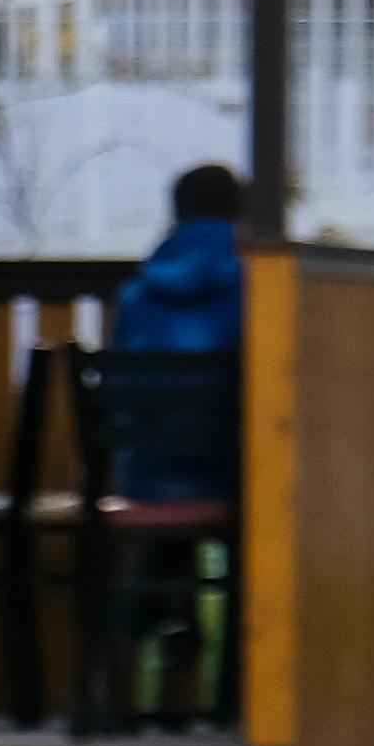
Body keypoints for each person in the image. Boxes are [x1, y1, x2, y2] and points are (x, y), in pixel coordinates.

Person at [108, 162, 252, 506]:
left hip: (145, 478)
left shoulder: (134, 295)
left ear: (176, 214)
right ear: (240, 214)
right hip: (236, 478)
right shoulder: (257, 293)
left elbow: (117, 387)